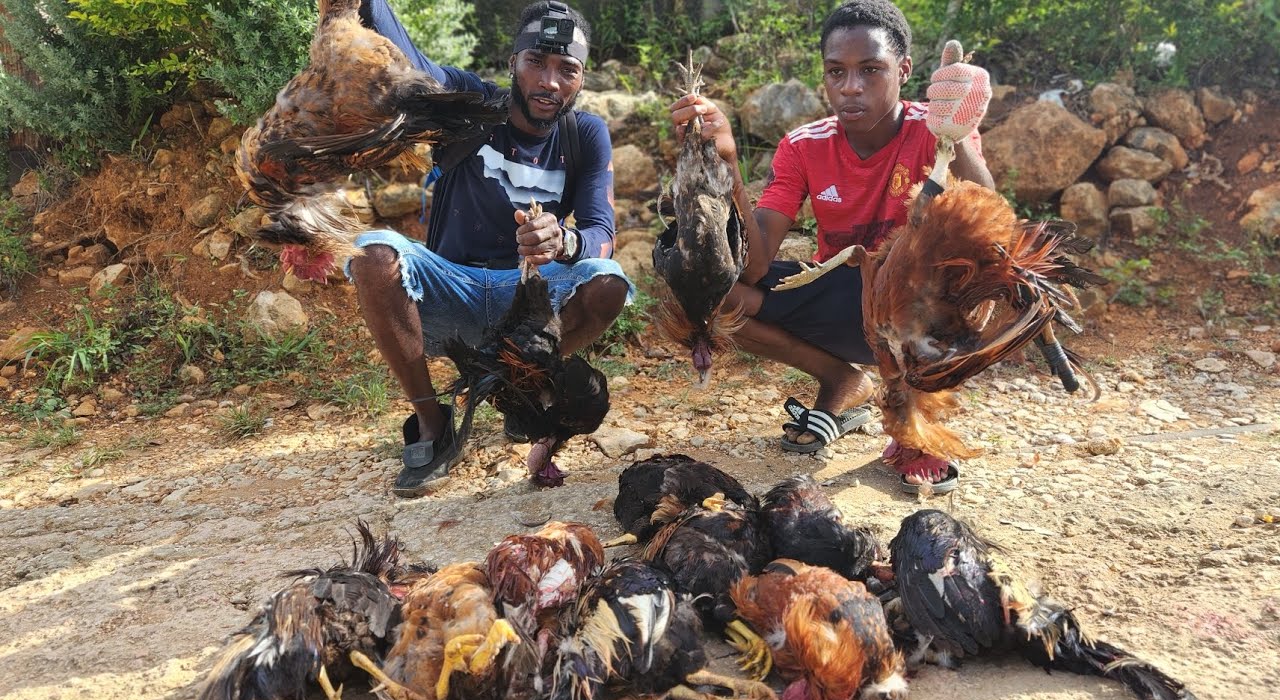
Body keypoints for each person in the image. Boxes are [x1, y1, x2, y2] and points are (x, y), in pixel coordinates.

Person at [669, 0, 994, 493]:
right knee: (704, 291)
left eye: (871, 70)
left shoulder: (937, 127)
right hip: (845, 301)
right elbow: (753, 269)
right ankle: (841, 380)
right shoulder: (804, 146)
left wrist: (959, 133)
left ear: (903, 71)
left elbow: (987, 218)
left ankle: (914, 428)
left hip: (920, 311)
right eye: (836, 72)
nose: (851, 87)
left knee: (957, 276)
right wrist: (729, 162)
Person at [349, 0, 632, 497]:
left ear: (581, 78)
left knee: (607, 280)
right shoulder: (473, 105)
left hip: (525, 303)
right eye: (535, 63)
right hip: (449, 287)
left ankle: (518, 384)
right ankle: (433, 421)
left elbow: (600, 231)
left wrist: (562, 241)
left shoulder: (584, 134)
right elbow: (407, 64)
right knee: (372, 254)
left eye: (566, 69)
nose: (549, 82)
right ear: (512, 64)